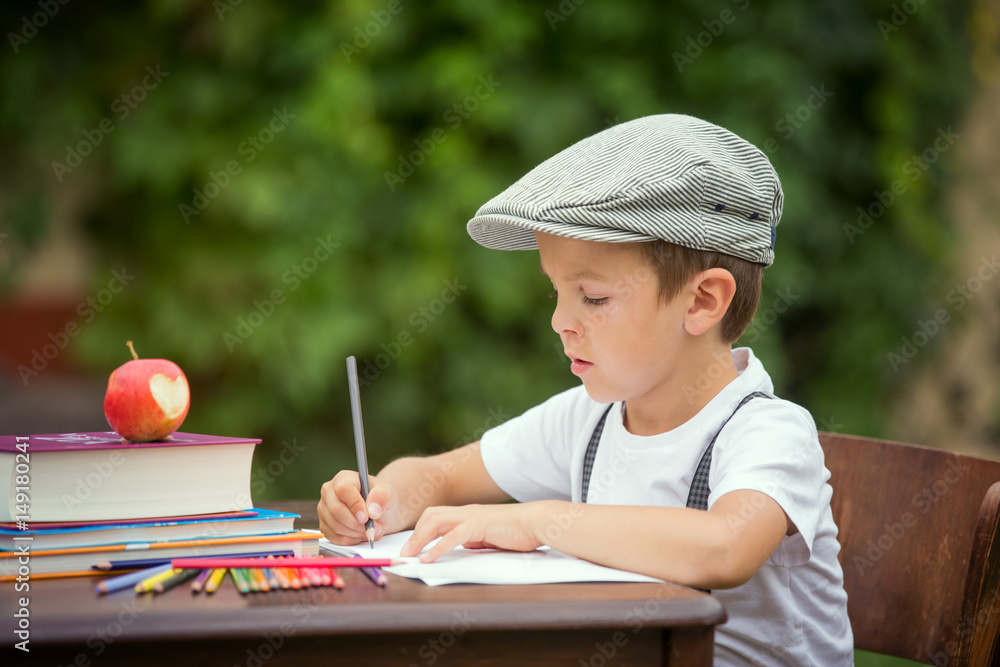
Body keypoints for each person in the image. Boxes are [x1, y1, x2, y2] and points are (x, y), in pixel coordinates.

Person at [319, 114, 853, 665]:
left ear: (702, 302)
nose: (559, 322)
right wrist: (381, 500)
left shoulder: (768, 431)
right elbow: (444, 474)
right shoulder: (590, 419)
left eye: (593, 297)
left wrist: (537, 521)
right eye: (556, 292)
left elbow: (726, 547)